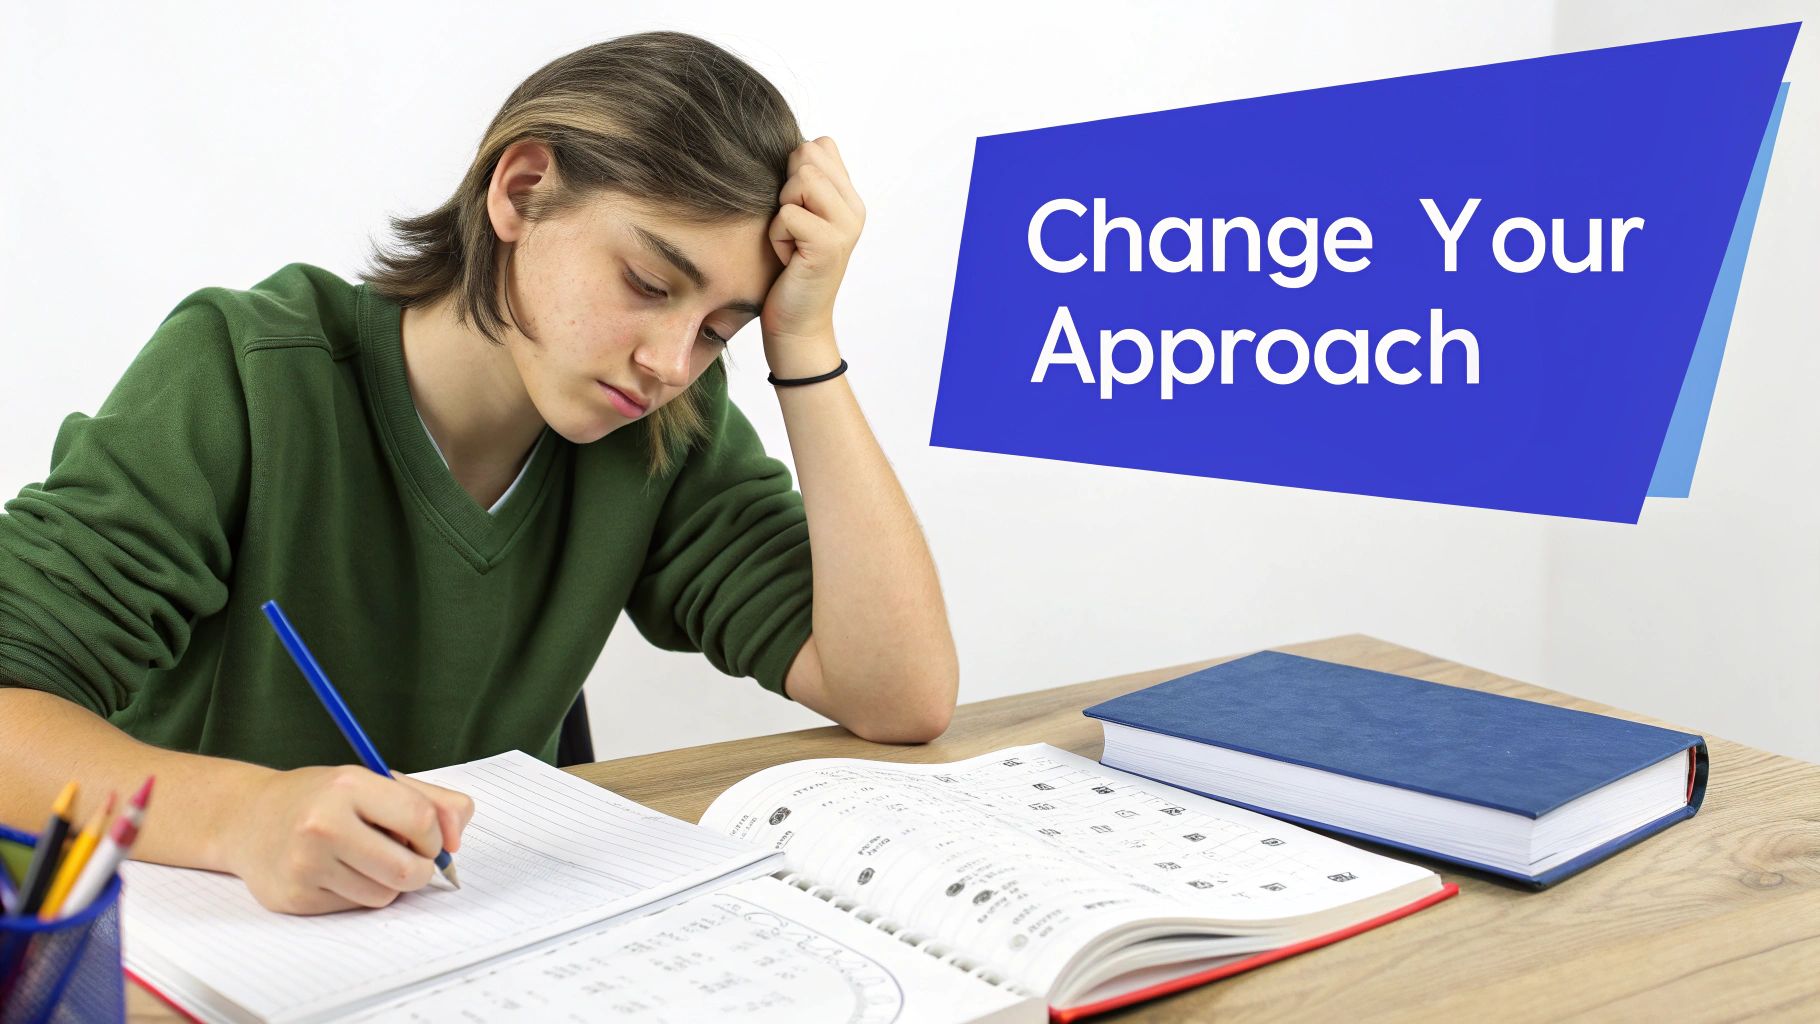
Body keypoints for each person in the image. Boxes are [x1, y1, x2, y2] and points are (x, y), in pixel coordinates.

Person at [0, 31, 957, 916]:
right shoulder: (246, 371)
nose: (671, 361)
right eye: (649, 284)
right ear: (523, 188)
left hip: (479, 939)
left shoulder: (666, 428)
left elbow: (899, 698)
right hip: (191, 941)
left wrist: (805, 340)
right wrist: (240, 815)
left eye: (720, 329)